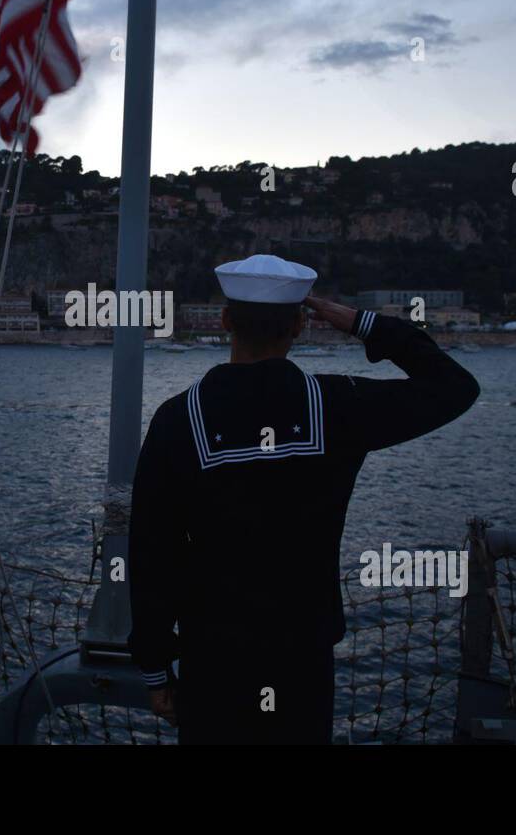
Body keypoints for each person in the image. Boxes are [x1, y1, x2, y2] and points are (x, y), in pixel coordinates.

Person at [128, 255, 480, 744]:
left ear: (226, 320)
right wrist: (361, 322)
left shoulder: (177, 419)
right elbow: (455, 387)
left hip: (213, 662)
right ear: (300, 324)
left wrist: (154, 669)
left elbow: (151, 552)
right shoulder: (338, 406)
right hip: (303, 661)